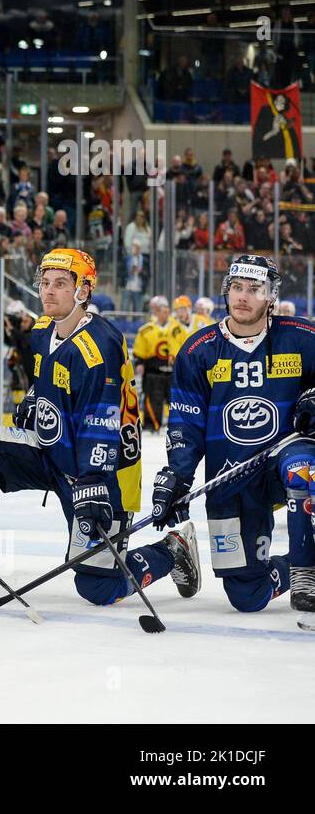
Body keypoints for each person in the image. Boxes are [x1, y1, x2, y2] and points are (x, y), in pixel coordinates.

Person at [0, 248, 199, 606]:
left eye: (60, 284)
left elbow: (101, 416)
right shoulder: (43, 330)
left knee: (99, 588)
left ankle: (173, 549)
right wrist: (33, 399)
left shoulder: (100, 344)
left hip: (103, 470)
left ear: (83, 291)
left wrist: (92, 479)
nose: (48, 291)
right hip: (49, 449)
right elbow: (47, 380)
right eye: (45, 283)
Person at [162, 255, 315, 617]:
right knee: (247, 596)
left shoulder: (303, 337)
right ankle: (296, 562)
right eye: (236, 287)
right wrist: (177, 478)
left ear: (271, 296)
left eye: (254, 289)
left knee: (302, 468)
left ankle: (306, 573)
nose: (243, 296)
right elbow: (185, 424)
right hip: (230, 473)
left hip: (286, 454)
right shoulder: (198, 350)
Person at [133, 295, 187, 432]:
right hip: (153, 371)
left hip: (174, 371)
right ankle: (152, 427)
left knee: (177, 402)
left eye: (165, 310)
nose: (163, 313)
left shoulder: (178, 329)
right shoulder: (145, 330)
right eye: (159, 310)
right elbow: (140, 350)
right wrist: (140, 363)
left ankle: (180, 428)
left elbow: (186, 347)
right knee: (152, 401)